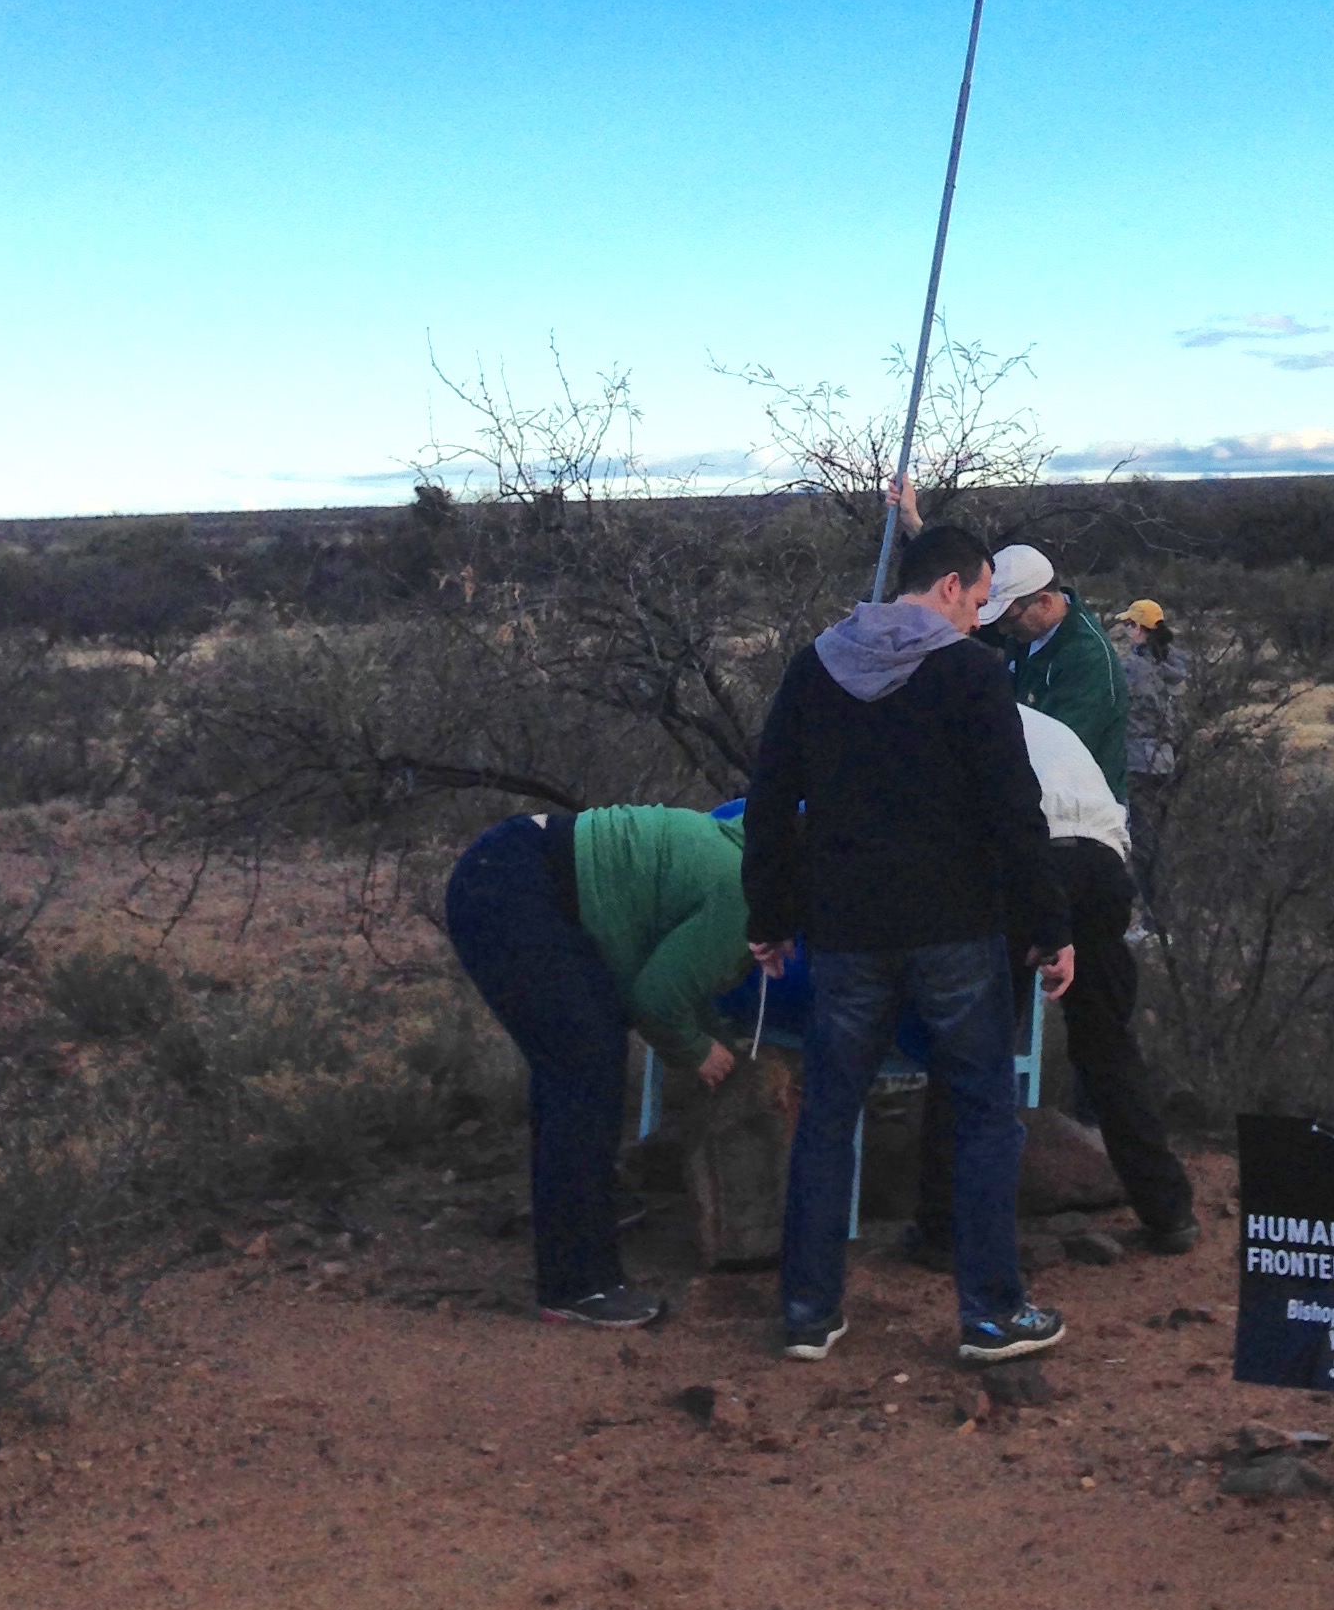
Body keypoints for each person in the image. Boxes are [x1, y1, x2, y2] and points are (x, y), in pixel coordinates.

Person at [744, 517, 1075, 1367]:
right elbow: (1014, 807)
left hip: (848, 929)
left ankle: (809, 1311)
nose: (979, 615)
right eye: (978, 598)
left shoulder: (817, 664)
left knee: (827, 1116)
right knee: (981, 1115)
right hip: (956, 930)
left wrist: (769, 918)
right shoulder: (971, 673)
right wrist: (1047, 927)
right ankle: (992, 1314)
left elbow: (773, 796)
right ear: (953, 587)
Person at [910, 703, 1199, 1266]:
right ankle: (1168, 1211)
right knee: (1106, 1042)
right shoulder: (1038, 720)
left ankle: (944, 1224)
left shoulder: (942, 716)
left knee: (974, 1040)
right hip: (1103, 865)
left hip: (1032, 858)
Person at [444, 802, 751, 1326]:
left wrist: (715, 1040)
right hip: (515, 890)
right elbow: (655, 998)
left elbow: (683, 971)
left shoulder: (738, 854)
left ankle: (581, 1218)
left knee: (577, 1064)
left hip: (506, 867)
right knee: (585, 1067)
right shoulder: (745, 893)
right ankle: (578, 1284)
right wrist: (696, 1052)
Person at [983, 542, 1131, 802]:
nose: (1003, 631)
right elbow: (956, 611)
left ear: (1043, 602)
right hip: (1036, 796)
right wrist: (915, 531)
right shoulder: (1026, 630)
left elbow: (1058, 749)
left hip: (1082, 812)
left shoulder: (1087, 658)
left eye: (1008, 620)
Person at [1115, 598, 1185, 883]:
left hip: (1138, 760)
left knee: (1141, 842)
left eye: (1129, 624)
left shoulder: (1133, 667)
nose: (1125, 630)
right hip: (1166, 759)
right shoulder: (1173, 663)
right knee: (1161, 839)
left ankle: (1153, 915)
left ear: (1139, 628)